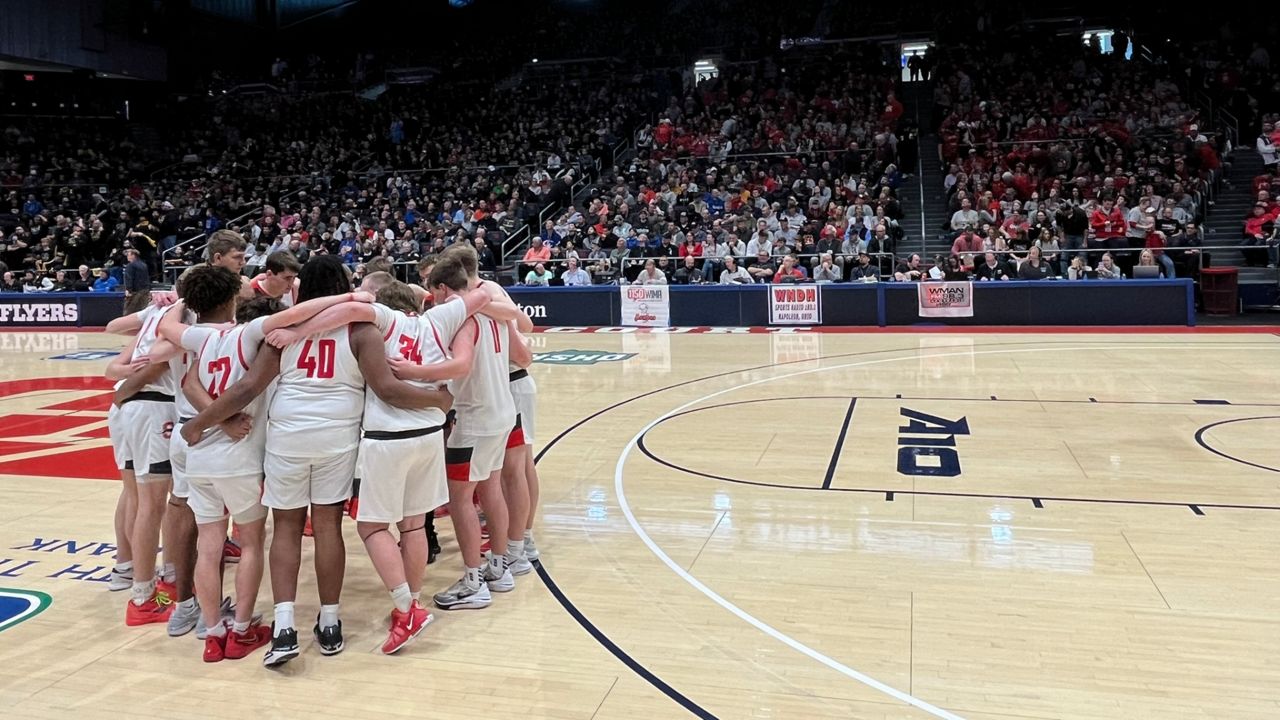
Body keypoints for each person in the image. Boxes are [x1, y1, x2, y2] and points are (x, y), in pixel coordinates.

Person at [178, 257, 387, 666]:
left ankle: (285, 625)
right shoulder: (361, 329)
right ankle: (330, 622)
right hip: (337, 435)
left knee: (287, 527)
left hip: (289, 435)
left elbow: (248, 386)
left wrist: (201, 423)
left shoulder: (283, 332)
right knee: (327, 528)